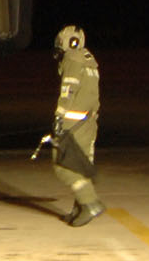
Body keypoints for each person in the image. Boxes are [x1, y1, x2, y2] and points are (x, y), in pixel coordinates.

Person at [39, 25, 105, 225]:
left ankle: (90, 203)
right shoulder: (89, 60)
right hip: (89, 121)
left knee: (63, 165)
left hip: (74, 121)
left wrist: (59, 116)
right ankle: (79, 208)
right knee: (82, 165)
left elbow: (68, 90)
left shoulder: (72, 60)